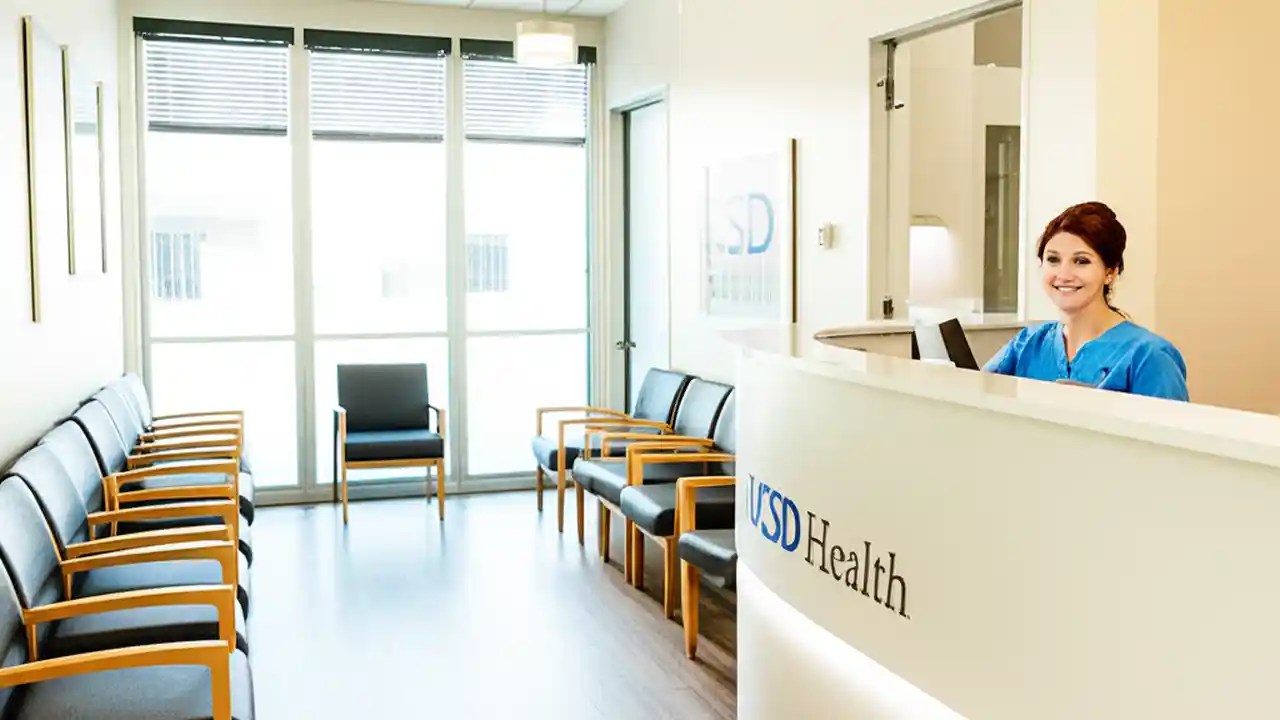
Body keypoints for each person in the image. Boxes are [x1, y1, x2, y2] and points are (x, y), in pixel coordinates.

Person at [984, 201, 1189, 401]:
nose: (1063, 274)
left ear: (1110, 272)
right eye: (1053, 260)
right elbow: (974, 401)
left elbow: (1170, 435)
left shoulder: (1150, 356)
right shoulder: (1027, 343)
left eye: (1081, 261)